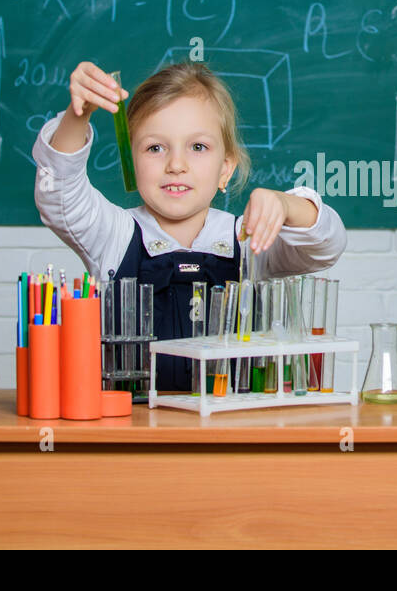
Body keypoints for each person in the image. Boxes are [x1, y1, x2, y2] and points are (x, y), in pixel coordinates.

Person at [34, 60, 346, 390]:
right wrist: (77, 117)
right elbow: (59, 194)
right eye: (155, 147)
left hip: (232, 429)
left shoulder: (248, 240)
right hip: (134, 431)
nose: (176, 165)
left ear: (225, 169)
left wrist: (287, 206)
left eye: (198, 147)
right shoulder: (115, 234)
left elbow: (326, 246)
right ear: (131, 161)